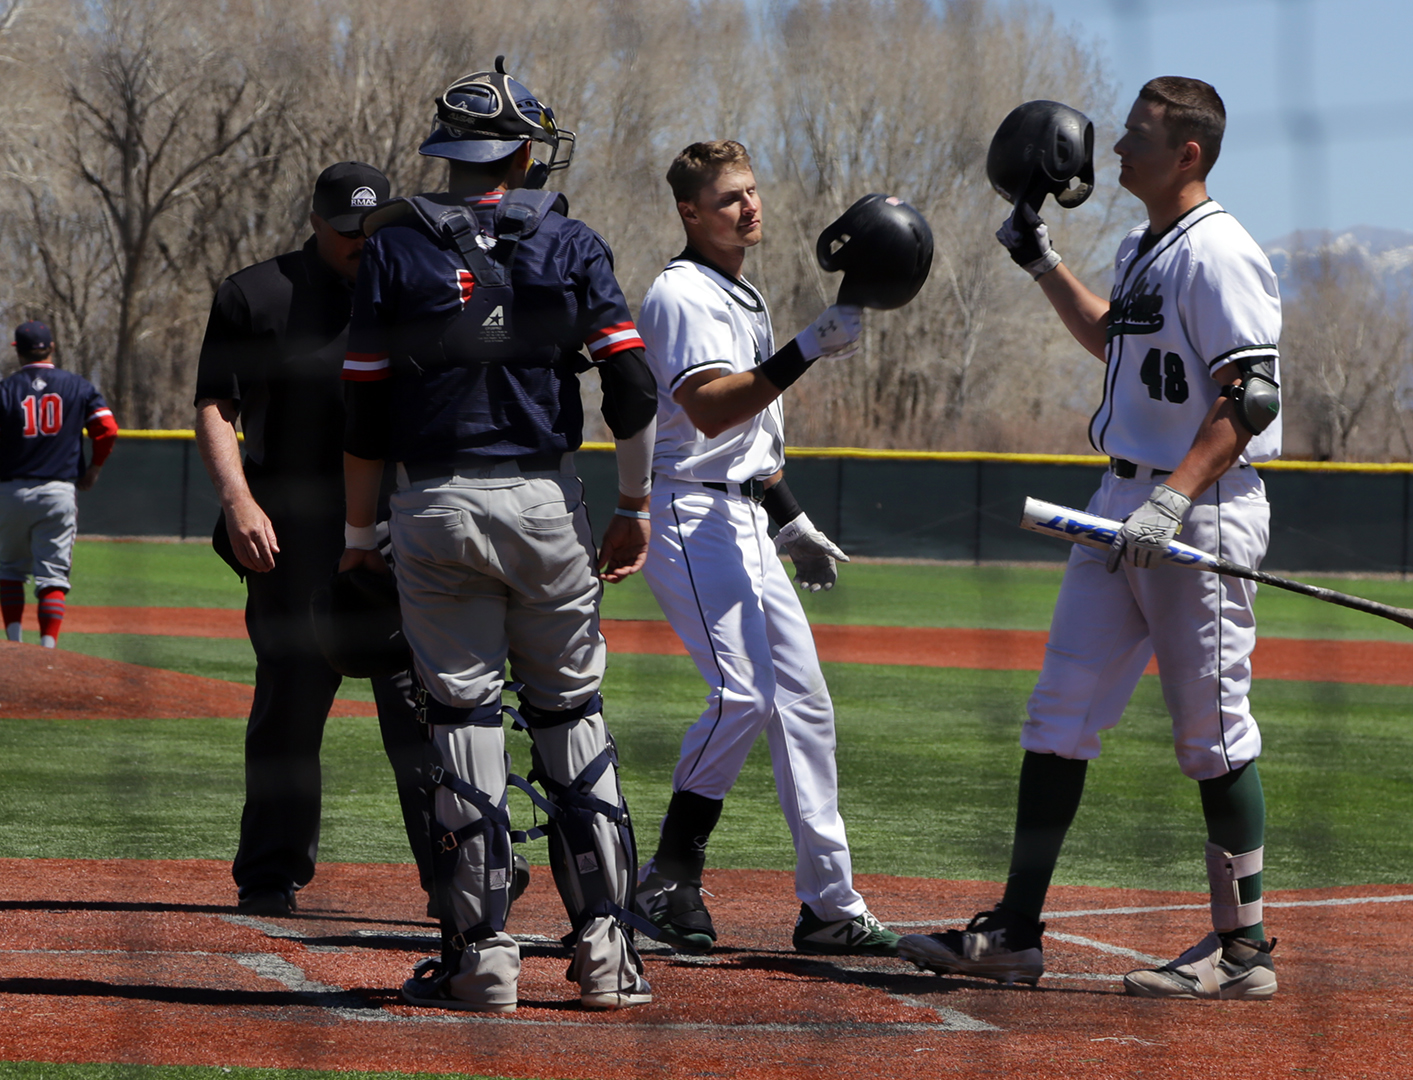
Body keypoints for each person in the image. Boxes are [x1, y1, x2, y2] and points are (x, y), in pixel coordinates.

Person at [897, 77, 1284, 1000]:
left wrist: (1176, 500)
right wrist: (1041, 264)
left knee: (1213, 734)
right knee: (1058, 715)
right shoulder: (1143, 245)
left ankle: (1244, 954)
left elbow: (1253, 394)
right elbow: (1117, 341)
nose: (1117, 152)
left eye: (1137, 138)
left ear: (1187, 154)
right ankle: (1015, 933)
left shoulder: (1222, 253)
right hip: (1116, 505)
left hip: (1201, 512)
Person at [338, 60, 657, 1014]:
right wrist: (632, 506)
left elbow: (362, 417)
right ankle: (608, 957)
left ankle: (483, 960)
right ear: (521, 152)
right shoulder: (572, 242)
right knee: (570, 716)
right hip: (546, 503)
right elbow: (633, 391)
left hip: (432, 507)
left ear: (447, 154)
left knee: (463, 723)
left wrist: (360, 535)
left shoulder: (392, 249)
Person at [630, 140, 899, 958]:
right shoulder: (678, 294)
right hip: (690, 519)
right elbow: (711, 412)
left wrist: (788, 517)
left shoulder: (742, 294)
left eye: (751, 192)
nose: (750, 207)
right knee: (743, 696)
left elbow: (754, 443)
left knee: (806, 711)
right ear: (689, 213)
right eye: (728, 199)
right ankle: (668, 877)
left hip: (744, 520)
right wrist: (806, 349)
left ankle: (828, 905)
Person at [192, 162, 446, 919]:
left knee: (419, 705)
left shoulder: (411, 291)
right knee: (291, 703)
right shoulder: (255, 294)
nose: (358, 246)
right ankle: (269, 874)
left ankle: (452, 870)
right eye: (345, 233)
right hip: (289, 530)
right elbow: (215, 403)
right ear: (314, 220)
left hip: (395, 528)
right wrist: (238, 502)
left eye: (371, 233)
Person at [0, 320, 116, 648]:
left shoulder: (6, 389)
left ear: (18, 351)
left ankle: (13, 643)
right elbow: (107, 428)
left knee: (9, 569)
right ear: (51, 347)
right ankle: (49, 650)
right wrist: (93, 468)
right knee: (52, 575)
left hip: (9, 491)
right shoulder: (78, 386)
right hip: (58, 491)